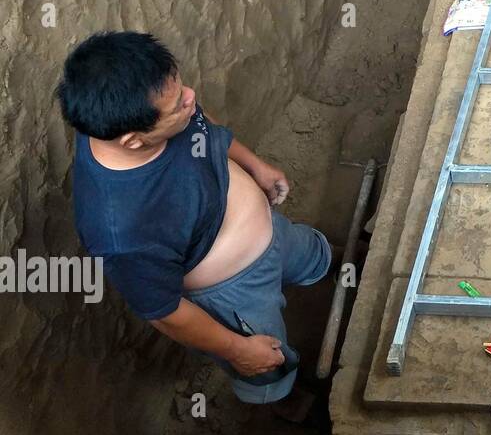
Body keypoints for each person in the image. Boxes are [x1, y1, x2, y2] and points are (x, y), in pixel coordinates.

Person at [57, 30, 332, 413]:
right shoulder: (121, 231)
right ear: (133, 141)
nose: (190, 97)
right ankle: (284, 400)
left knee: (314, 257)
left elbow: (202, 125)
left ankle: (333, 270)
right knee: (268, 359)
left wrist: (255, 165)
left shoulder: (154, 105)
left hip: (275, 233)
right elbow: (166, 313)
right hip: (238, 295)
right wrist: (238, 350)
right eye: (177, 105)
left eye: (182, 89)